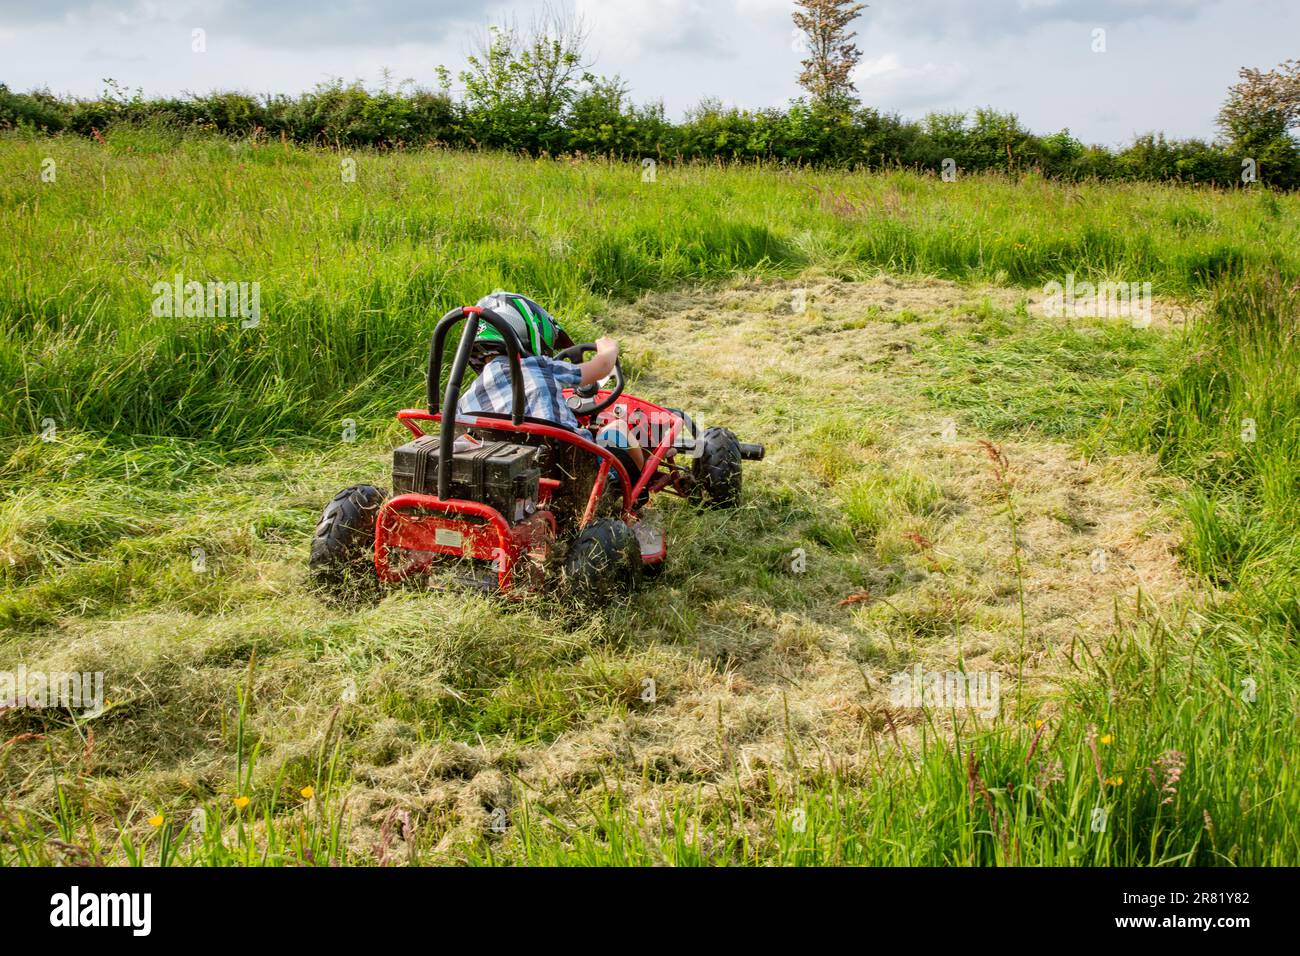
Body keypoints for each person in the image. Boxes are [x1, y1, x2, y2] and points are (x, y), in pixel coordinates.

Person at [458, 292, 646, 486]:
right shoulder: (539, 366)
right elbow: (602, 367)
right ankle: (634, 495)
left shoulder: (466, 396)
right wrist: (608, 347)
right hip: (575, 477)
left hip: (507, 479)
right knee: (616, 429)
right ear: (527, 330)